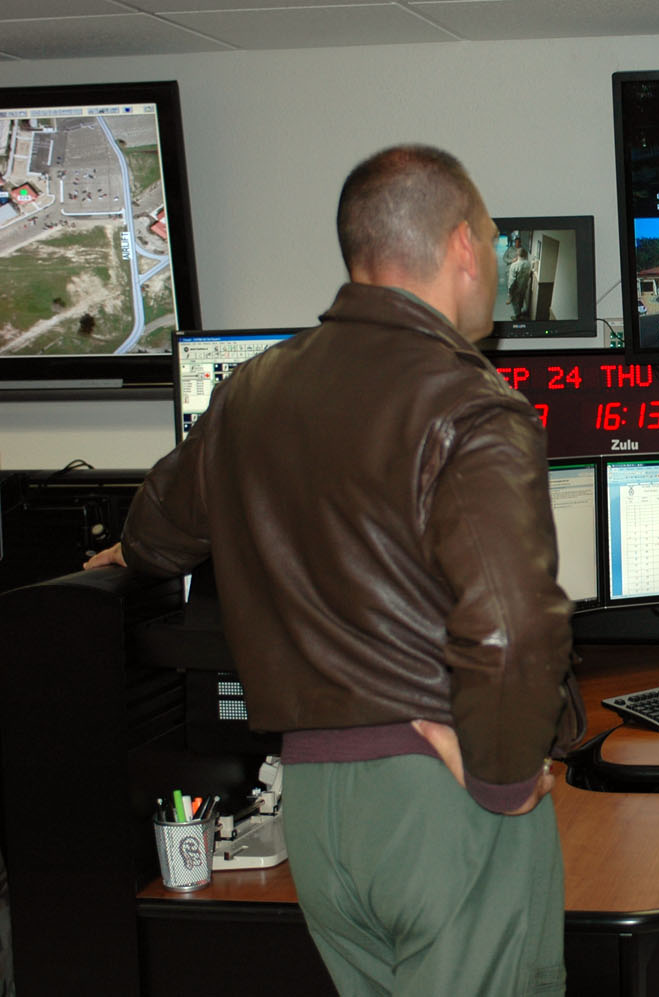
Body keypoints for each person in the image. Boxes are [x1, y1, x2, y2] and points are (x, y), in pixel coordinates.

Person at [85, 144, 583, 995]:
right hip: (443, 790)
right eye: (495, 241)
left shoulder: (251, 391)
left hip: (314, 808)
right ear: (463, 245)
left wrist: (123, 553)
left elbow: (160, 530)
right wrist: (503, 781)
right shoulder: (473, 403)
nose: (497, 261)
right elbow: (511, 622)